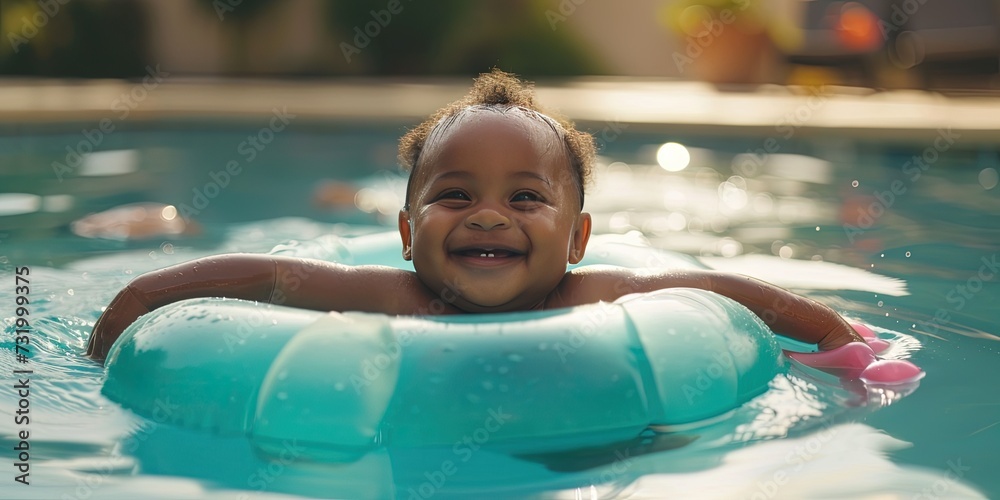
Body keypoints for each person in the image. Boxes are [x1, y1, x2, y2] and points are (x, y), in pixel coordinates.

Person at [86, 70, 862, 360]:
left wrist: (836, 337)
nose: (489, 217)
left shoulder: (596, 294)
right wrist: (142, 295)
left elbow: (720, 288)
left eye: (525, 198)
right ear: (406, 234)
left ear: (578, 239)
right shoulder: (389, 294)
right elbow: (272, 276)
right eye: (455, 196)